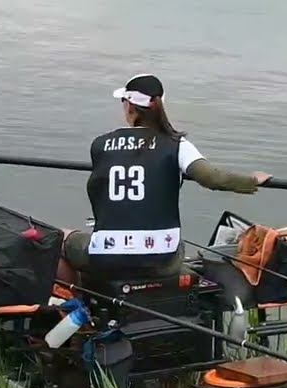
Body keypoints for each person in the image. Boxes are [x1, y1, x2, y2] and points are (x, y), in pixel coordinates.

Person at [57, 74, 272, 284]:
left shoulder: (100, 145)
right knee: (175, 247)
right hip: (162, 259)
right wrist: (252, 180)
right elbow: (212, 178)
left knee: (59, 239)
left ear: (130, 107)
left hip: (106, 255)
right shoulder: (177, 145)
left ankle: (79, 297)